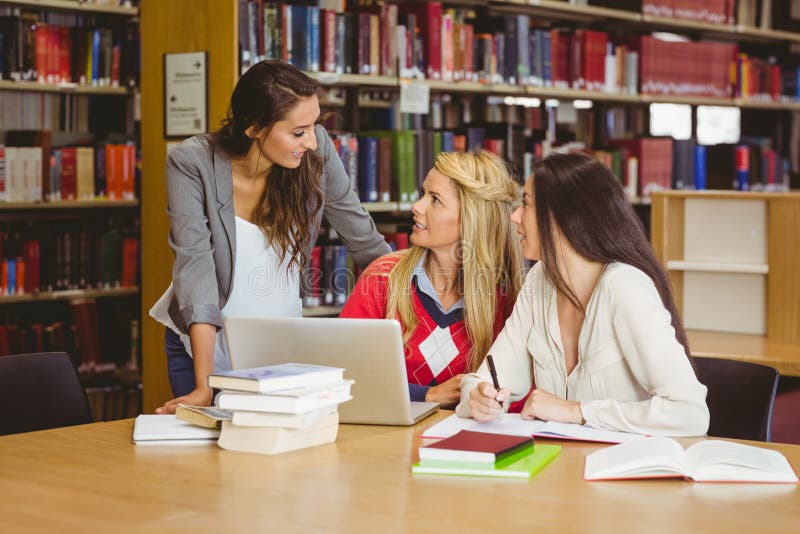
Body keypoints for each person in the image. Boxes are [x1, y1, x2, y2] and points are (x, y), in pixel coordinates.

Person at [150, 61, 391, 414]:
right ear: (254, 128)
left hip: (281, 345)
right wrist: (205, 384)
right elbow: (195, 266)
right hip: (202, 348)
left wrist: (415, 292)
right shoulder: (192, 162)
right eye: (299, 132)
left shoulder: (315, 151)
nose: (312, 142)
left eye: (315, 127)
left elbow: (363, 237)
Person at [457, 152, 710, 436]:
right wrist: (478, 398)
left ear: (563, 217)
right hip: (564, 468)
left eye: (526, 204)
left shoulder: (624, 287)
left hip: (627, 470)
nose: (515, 216)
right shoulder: (538, 280)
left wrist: (576, 411)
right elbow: (487, 377)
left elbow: (690, 413)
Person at [340, 150, 524, 409]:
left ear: (470, 219)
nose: (417, 206)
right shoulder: (382, 277)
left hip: (465, 444)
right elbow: (342, 375)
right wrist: (426, 395)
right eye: (423, 193)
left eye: (435, 199)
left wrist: (488, 401)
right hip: (386, 443)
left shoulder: (507, 299)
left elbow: (520, 398)